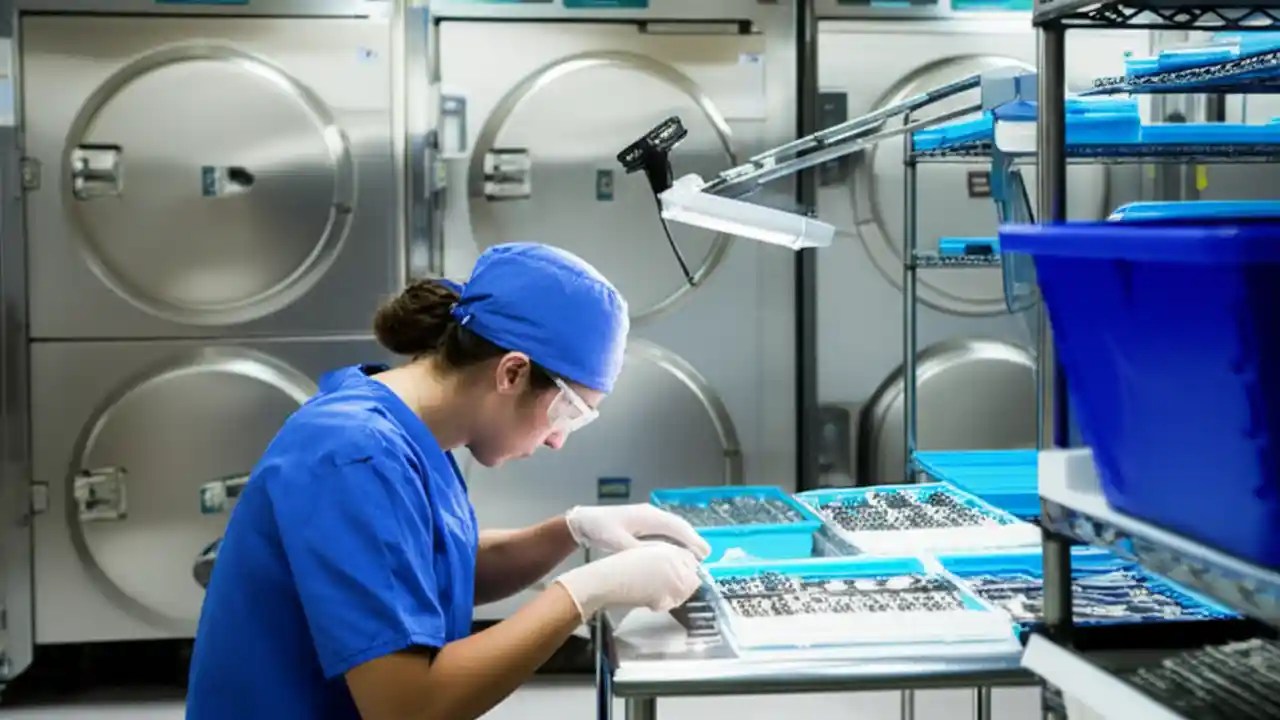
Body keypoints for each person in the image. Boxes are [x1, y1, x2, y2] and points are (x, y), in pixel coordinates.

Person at [186, 242, 710, 720]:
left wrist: (570, 532)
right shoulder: (354, 454)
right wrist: (583, 593)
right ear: (511, 373)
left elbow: (424, 570)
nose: (557, 440)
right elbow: (408, 709)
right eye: (566, 412)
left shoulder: (396, 425)